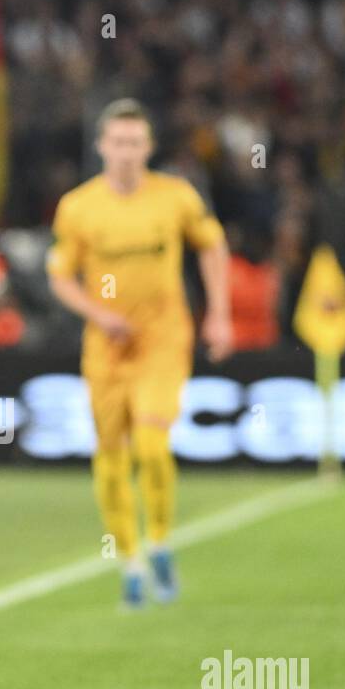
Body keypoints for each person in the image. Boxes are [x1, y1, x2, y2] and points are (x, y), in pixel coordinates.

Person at [46, 98, 231, 608]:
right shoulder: (79, 207)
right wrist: (99, 314)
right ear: (103, 146)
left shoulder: (175, 197)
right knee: (110, 458)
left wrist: (219, 313)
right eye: (118, 142)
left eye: (135, 142)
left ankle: (161, 541)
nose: (126, 152)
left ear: (148, 147)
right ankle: (130, 562)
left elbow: (212, 247)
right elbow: (60, 275)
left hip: (163, 340)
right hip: (106, 347)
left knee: (151, 445)